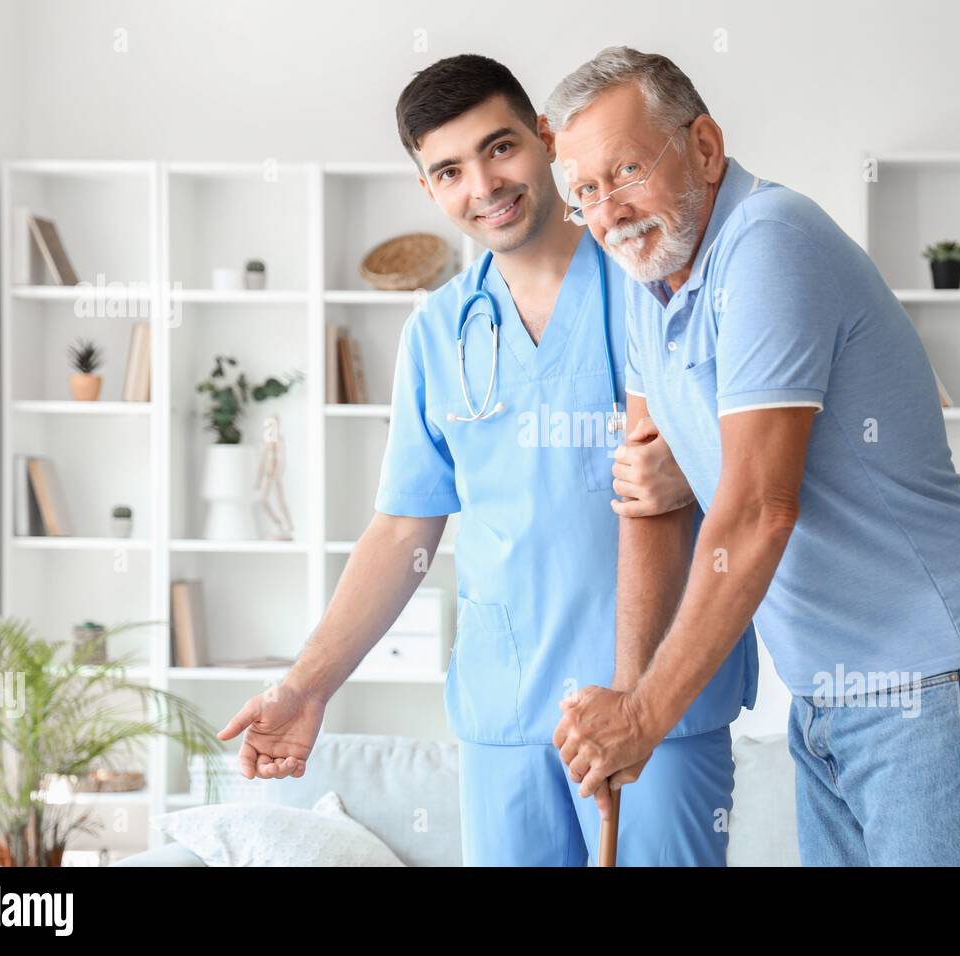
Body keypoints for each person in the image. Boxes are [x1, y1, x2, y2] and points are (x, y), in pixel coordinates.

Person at [217, 54, 758, 866]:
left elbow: (764, 467)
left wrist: (697, 470)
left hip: (657, 707)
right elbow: (405, 530)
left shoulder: (648, 276)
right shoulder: (439, 332)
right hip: (508, 721)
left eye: (499, 148)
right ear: (429, 189)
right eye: (449, 170)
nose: (484, 185)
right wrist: (308, 684)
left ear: (545, 140)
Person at [547, 47, 960, 866]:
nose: (610, 211)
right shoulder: (646, 284)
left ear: (704, 147)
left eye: (627, 169)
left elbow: (757, 508)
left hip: (933, 680)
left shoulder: (769, 242)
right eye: (587, 192)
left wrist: (643, 721)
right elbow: (650, 498)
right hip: (824, 692)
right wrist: (629, 696)